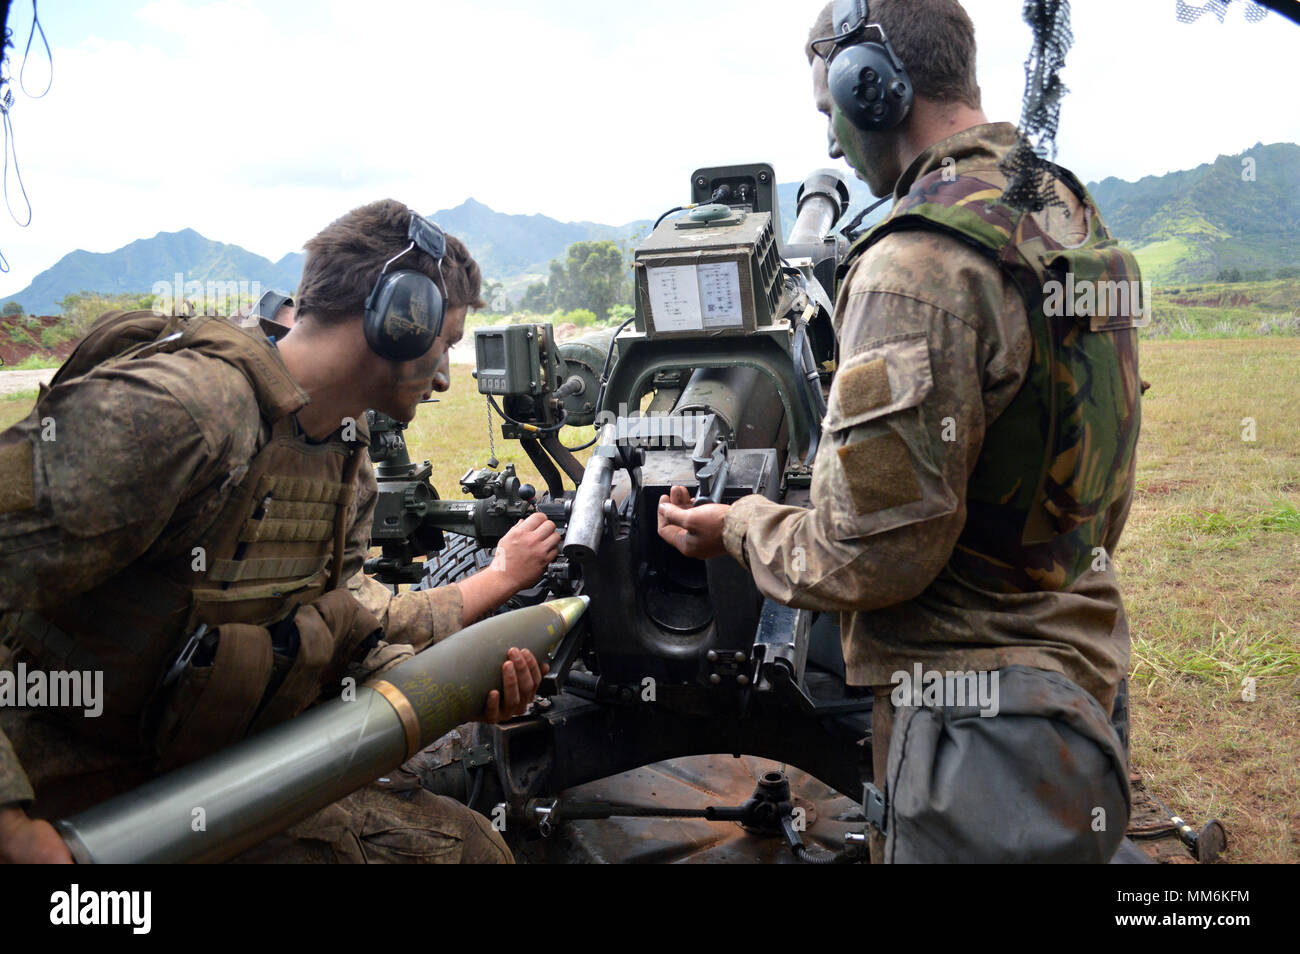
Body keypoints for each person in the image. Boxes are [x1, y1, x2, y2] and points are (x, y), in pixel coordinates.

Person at [658, 0, 1142, 862]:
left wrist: (733, 528)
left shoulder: (914, 266)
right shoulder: (1064, 211)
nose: (835, 143)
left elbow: (867, 555)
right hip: (1080, 673)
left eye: (830, 109)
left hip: (980, 735)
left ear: (873, 88)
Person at [0, 200, 558, 863]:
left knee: (469, 850)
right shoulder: (186, 414)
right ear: (401, 316)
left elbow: (343, 629)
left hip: (211, 775)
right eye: (447, 343)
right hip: (72, 793)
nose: (443, 374)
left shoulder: (346, 462)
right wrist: (14, 829)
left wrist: (457, 693)